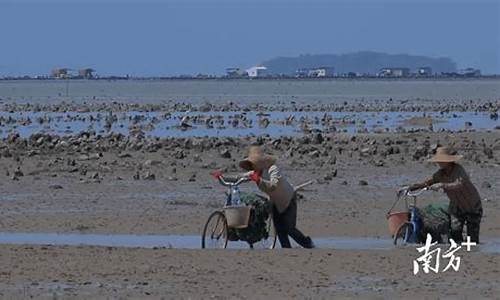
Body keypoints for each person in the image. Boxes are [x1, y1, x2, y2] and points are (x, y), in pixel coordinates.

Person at [239, 145, 314, 248]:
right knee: (279, 229)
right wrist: (222, 177)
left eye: (254, 164)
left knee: (290, 229)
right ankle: (287, 250)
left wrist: (259, 180)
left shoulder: (273, 170)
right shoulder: (255, 173)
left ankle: (308, 244)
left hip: (288, 199)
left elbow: (273, 185)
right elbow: (239, 177)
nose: (253, 166)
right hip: (275, 202)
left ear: (261, 163)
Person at [409, 147, 482, 243]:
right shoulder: (440, 174)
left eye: (441, 161)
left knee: (472, 238)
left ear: (448, 161)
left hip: (472, 206)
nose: (439, 163)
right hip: (457, 207)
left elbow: (459, 184)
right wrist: (411, 187)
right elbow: (427, 182)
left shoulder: (459, 170)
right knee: (455, 230)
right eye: (438, 161)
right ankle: (460, 252)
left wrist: (442, 185)